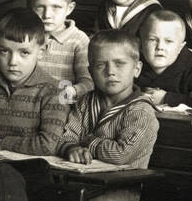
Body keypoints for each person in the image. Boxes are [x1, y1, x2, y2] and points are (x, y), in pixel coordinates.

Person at [55, 30, 159, 167]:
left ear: (137, 69)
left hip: (124, 179)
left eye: (119, 64)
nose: (110, 72)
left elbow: (120, 154)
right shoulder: (85, 102)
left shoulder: (142, 112)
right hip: (80, 176)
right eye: (100, 65)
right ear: (91, 72)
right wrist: (72, 149)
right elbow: (65, 137)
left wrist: (87, 141)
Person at [0, 10, 67, 155]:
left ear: (42, 51)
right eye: (4, 51)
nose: (13, 62)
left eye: (24, 52)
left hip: (31, 167)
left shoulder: (55, 92)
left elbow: (47, 145)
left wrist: (0, 143)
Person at [30, 0, 92, 100]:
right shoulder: (27, 35)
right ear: (31, 7)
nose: (47, 15)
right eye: (40, 7)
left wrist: (71, 91)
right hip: (29, 103)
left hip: (63, 103)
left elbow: (88, 83)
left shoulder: (79, 40)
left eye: (56, 7)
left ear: (69, 8)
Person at [135, 10, 192, 108]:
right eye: (153, 40)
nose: (160, 47)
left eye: (168, 41)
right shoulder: (134, 64)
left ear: (180, 47)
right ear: (140, 45)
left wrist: (166, 98)